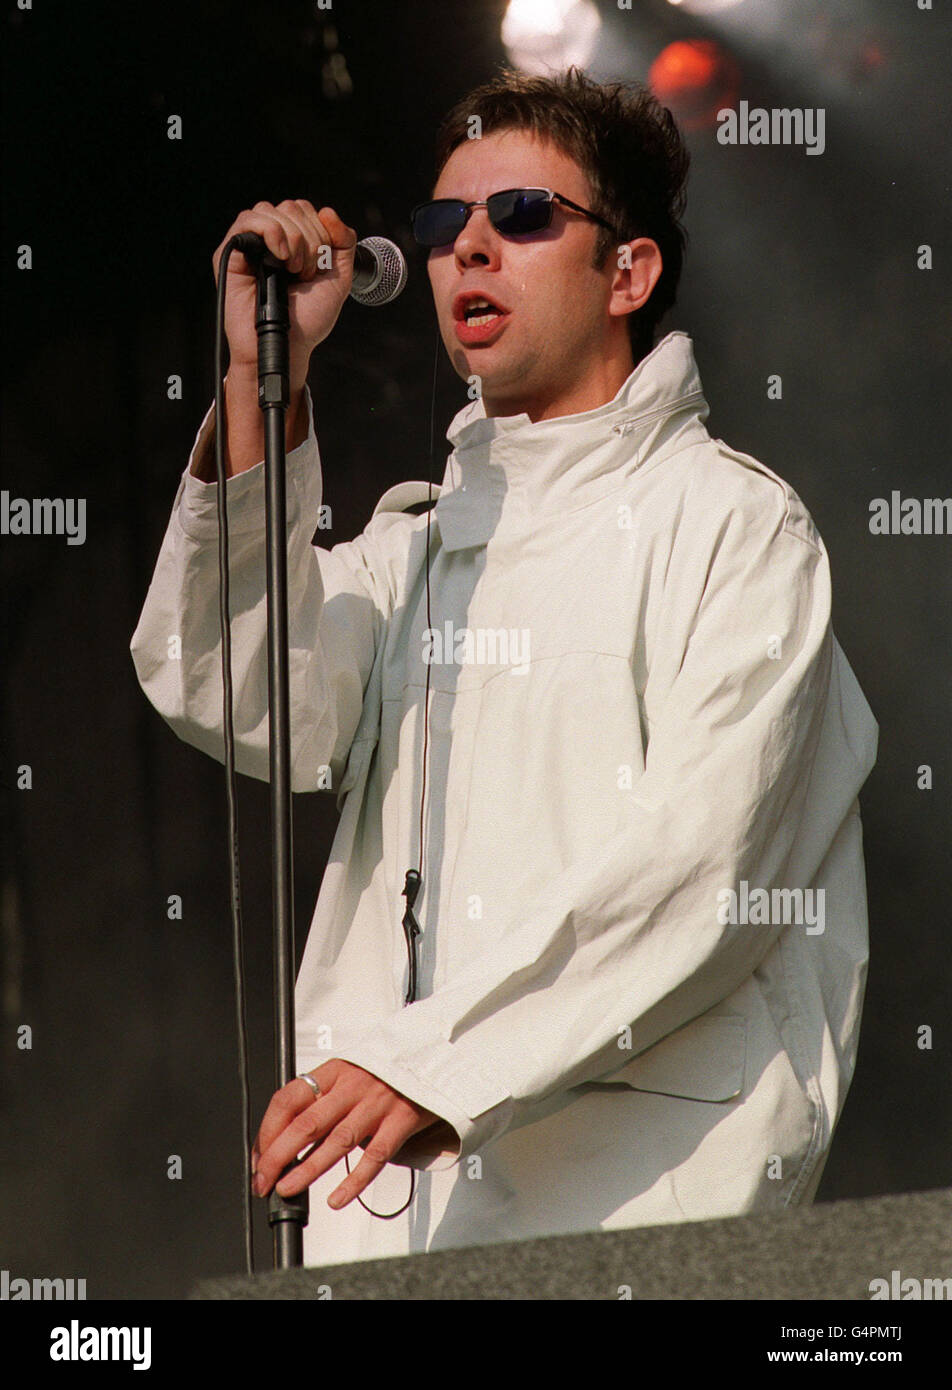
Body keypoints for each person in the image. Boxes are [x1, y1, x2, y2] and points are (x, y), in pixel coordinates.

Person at [130, 68, 878, 1266]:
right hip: (392, 1223)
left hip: (639, 1218)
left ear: (627, 273)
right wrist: (260, 384)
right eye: (440, 229)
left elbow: (705, 873)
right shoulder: (411, 546)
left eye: (522, 215)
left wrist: (436, 1067)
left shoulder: (735, 529)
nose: (469, 246)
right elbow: (223, 681)